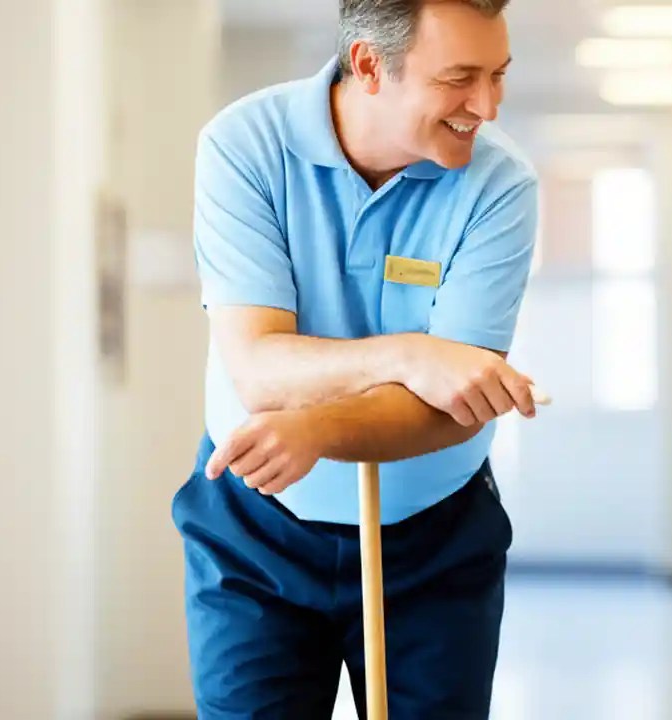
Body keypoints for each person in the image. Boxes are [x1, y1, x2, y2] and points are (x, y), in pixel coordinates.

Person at [170, 1, 539, 717]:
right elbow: (259, 369)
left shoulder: (502, 186)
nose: (487, 106)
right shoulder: (244, 145)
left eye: (498, 75)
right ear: (370, 64)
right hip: (255, 528)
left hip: (437, 536)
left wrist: (319, 429)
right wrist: (413, 353)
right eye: (460, 78)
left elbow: (456, 402)